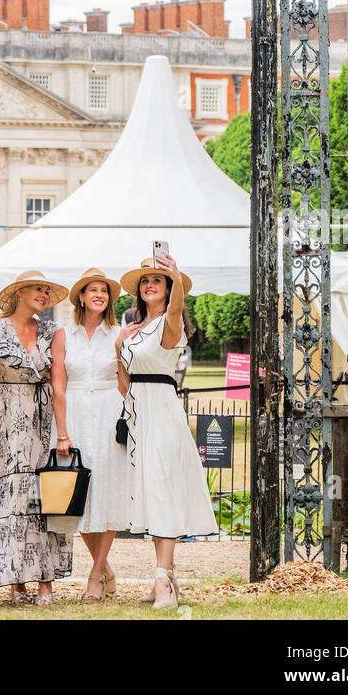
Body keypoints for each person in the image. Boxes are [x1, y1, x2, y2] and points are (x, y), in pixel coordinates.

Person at [0, 269, 73, 605]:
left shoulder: (53, 332)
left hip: (41, 423)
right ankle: (15, 579)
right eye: (37, 289)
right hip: (3, 424)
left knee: (43, 499)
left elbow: (59, 384)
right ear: (19, 293)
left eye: (46, 291)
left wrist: (63, 433)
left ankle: (46, 581)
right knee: (8, 498)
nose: (43, 295)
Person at [117, 253, 218, 611]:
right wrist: (119, 347)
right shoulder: (132, 328)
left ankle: (162, 580)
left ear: (168, 288)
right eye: (145, 281)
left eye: (156, 281)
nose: (148, 285)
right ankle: (168, 575)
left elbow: (175, 311)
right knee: (150, 490)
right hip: (137, 411)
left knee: (161, 488)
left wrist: (176, 276)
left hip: (162, 409)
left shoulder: (169, 323)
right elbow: (123, 379)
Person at [49, 267, 128, 603]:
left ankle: (95, 574)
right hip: (76, 413)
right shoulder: (64, 334)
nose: (99, 295)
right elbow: (58, 384)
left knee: (107, 490)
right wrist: (63, 431)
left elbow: (126, 380)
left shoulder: (120, 333)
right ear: (81, 296)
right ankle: (106, 568)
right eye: (92, 290)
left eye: (104, 291)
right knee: (77, 495)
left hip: (110, 410)